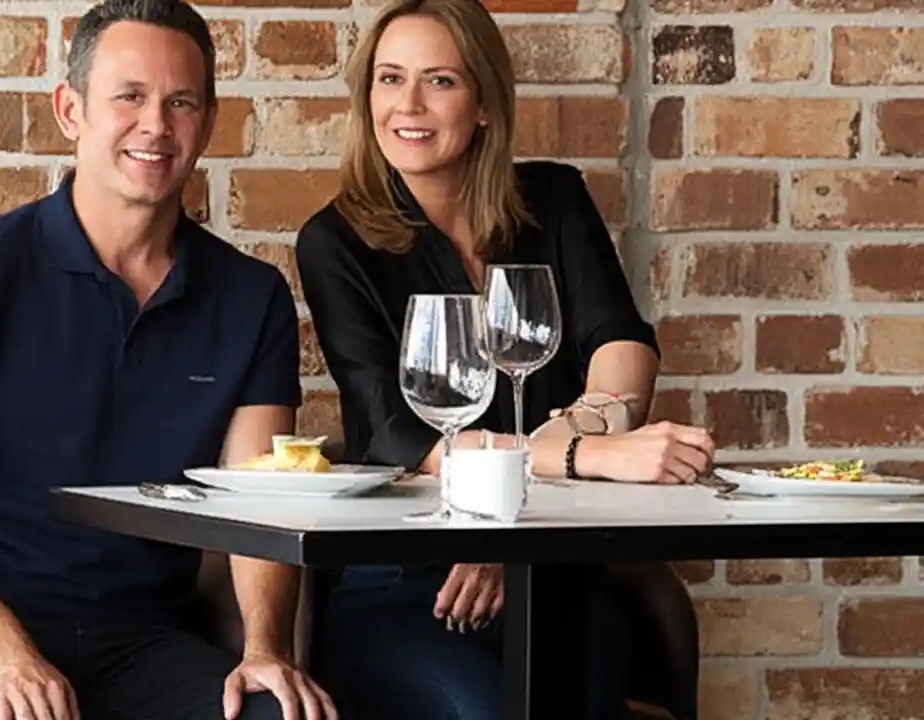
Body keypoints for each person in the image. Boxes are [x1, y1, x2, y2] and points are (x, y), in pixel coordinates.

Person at [0, 1, 338, 718]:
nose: (156, 125)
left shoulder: (251, 297)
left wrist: (265, 648)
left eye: (180, 101)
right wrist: (8, 657)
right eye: (130, 97)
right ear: (70, 110)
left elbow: (258, 507)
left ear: (208, 122)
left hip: (148, 635)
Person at [294, 0, 716, 718]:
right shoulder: (336, 242)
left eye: (441, 82)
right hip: (404, 578)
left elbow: (622, 348)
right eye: (390, 80)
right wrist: (586, 457)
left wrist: (558, 457)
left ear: (484, 102)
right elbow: (401, 433)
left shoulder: (552, 200)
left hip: (551, 568)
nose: (409, 105)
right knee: (488, 708)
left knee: (580, 696)